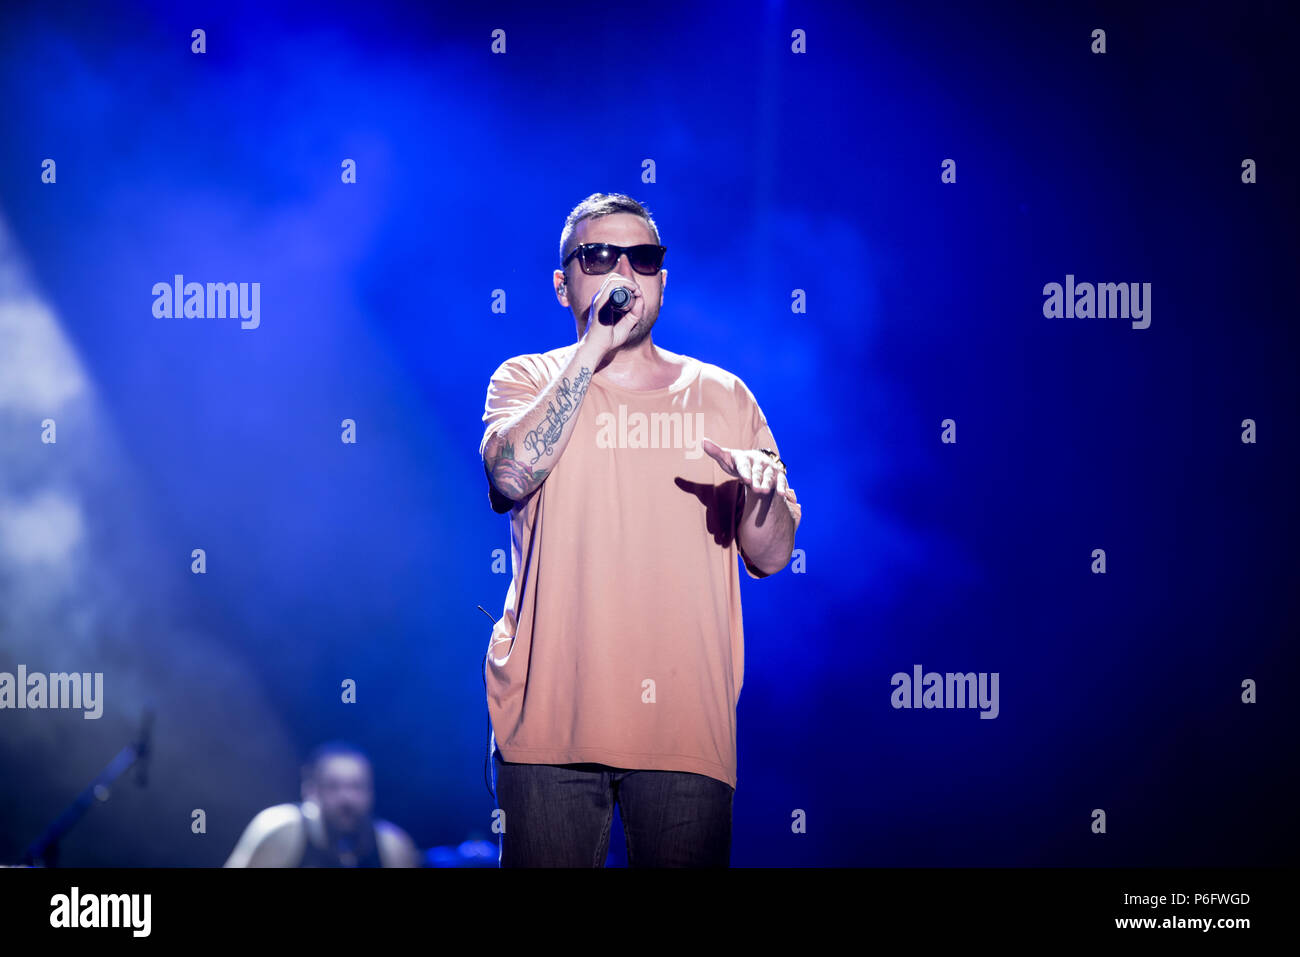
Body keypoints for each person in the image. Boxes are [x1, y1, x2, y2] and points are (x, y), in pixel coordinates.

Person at [479, 192, 802, 867]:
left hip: (684, 727)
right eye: (600, 256)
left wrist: (761, 495)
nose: (624, 271)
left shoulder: (724, 394)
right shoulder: (526, 378)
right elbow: (509, 477)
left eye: (644, 257)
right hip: (548, 727)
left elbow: (770, 556)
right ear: (564, 282)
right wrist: (595, 344)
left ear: (662, 278)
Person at [224, 741, 421, 867]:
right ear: (310, 790)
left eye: (356, 787)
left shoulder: (393, 846)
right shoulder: (281, 831)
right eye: (334, 787)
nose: (347, 799)